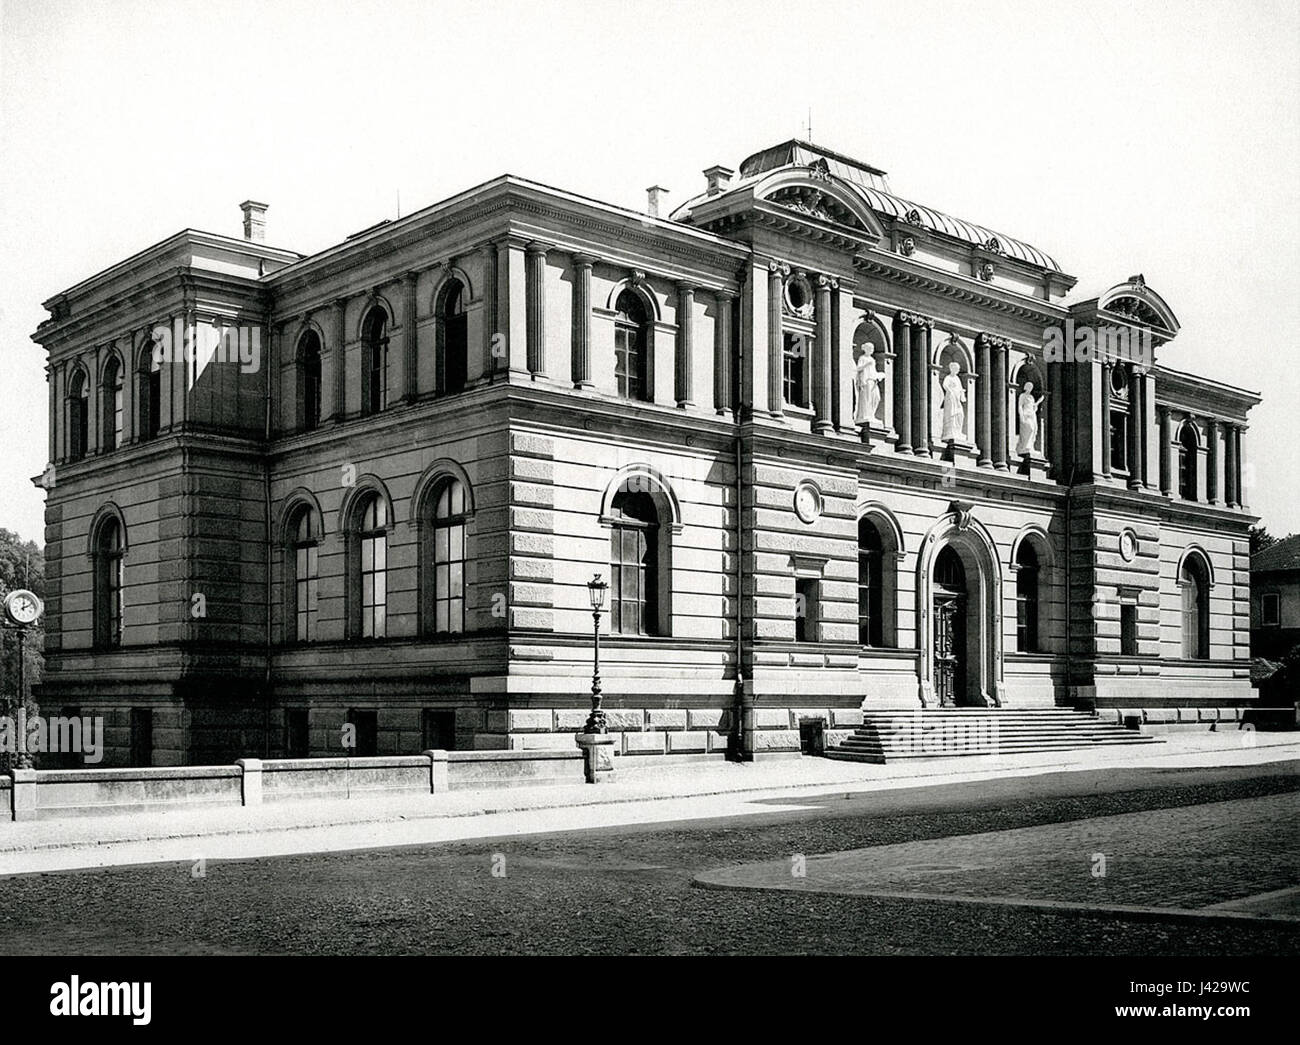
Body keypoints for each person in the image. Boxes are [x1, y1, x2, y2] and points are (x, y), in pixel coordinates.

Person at [1016, 381, 1045, 456]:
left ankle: (1030, 447)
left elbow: (1033, 407)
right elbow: (1020, 406)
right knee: (1029, 429)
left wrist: (1036, 405)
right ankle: (1024, 447)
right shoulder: (1022, 395)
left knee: (1034, 429)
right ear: (1026, 387)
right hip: (1026, 415)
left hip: (1032, 415)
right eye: (1029, 387)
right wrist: (1021, 416)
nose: (1030, 388)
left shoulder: (1031, 397)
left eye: (1031, 387)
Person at [940, 361, 965, 442]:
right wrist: (950, 390)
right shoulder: (948, 377)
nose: (958, 370)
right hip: (951, 398)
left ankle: (957, 431)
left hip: (957, 399)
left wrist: (962, 394)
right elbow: (945, 385)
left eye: (958, 369)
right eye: (957, 369)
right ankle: (950, 431)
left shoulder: (957, 379)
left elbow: (960, 388)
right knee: (951, 413)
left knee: (960, 414)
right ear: (952, 369)